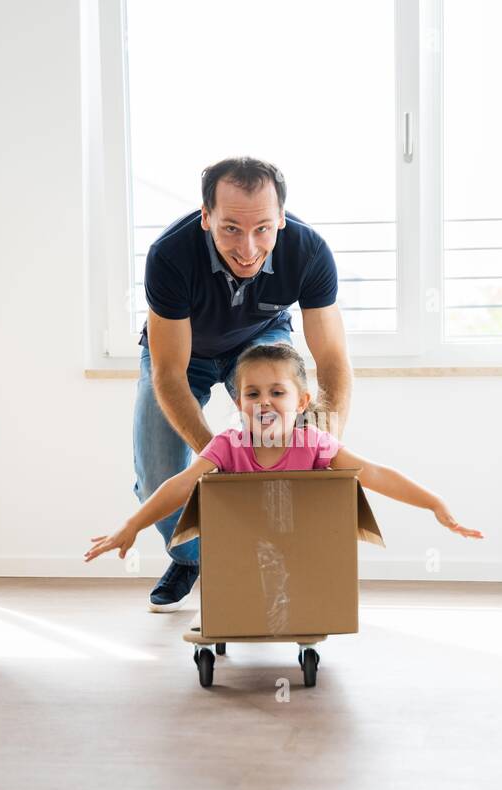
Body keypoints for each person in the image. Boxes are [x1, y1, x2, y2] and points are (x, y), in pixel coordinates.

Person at [131, 156, 353, 611]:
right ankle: (192, 557)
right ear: (206, 216)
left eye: (263, 229)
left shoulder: (309, 251)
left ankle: (278, 560)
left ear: (281, 220)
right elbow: (169, 372)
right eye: (231, 228)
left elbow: (331, 359)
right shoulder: (170, 255)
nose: (249, 248)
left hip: (259, 341)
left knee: (284, 445)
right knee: (156, 475)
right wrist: (218, 459)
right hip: (182, 354)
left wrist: (327, 438)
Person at [90, 342, 483, 566]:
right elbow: (180, 485)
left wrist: (434, 503)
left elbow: (373, 474)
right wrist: (132, 525)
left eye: (277, 393)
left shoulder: (312, 443)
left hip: (300, 553)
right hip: (239, 553)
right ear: (238, 402)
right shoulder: (229, 446)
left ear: (301, 401)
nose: (264, 403)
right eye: (252, 394)